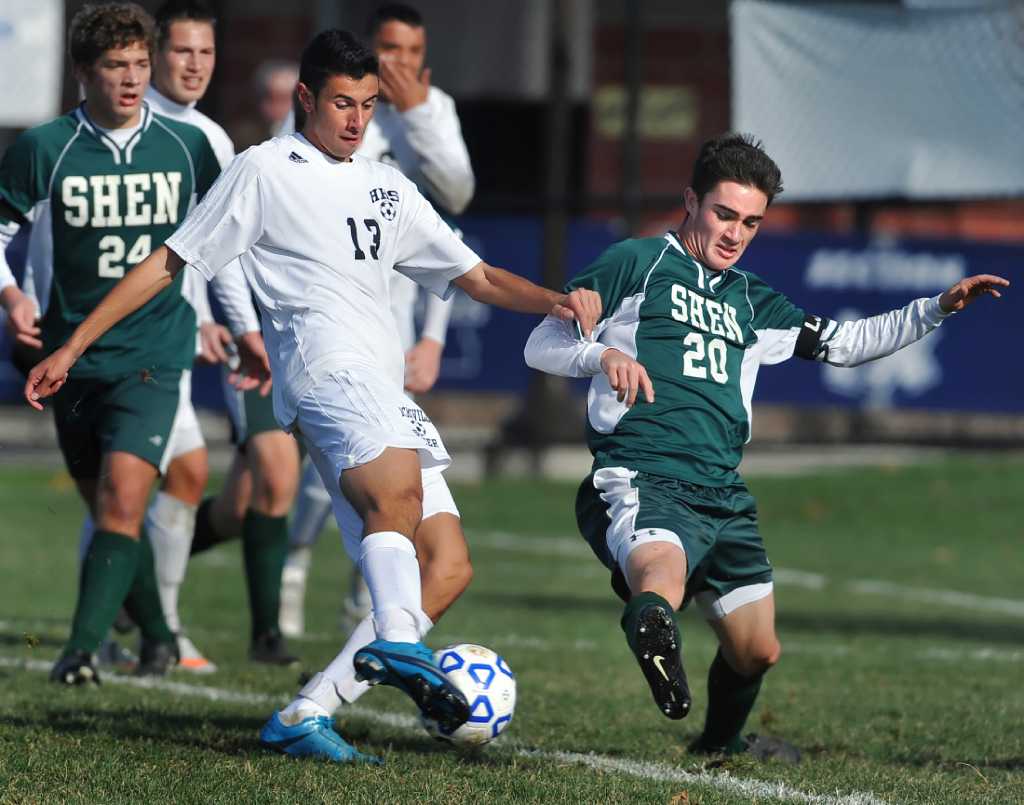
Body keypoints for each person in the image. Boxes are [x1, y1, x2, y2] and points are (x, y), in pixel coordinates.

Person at [25, 29, 597, 761]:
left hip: (380, 384)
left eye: (367, 104)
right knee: (394, 500)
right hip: (325, 372)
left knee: (447, 566)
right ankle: (396, 642)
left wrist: (553, 299)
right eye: (340, 103)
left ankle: (307, 710)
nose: (356, 120)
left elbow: (475, 275)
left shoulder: (388, 185)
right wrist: (71, 345)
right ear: (305, 98)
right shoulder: (264, 170)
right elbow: (169, 261)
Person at [523, 133, 1009, 761]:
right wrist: (602, 351)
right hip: (645, 472)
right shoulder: (635, 261)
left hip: (723, 492)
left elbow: (844, 343)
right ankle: (652, 625)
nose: (735, 233)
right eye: (724, 214)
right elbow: (541, 345)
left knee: (758, 650)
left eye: (751, 222)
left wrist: (935, 308)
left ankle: (718, 742)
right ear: (691, 201)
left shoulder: (755, 301)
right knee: (661, 574)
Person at [1, 2, 226, 685]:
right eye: (114, 65)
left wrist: (235, 324)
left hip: (154, 354)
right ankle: (157, 634)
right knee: (106, 507)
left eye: (139, 64)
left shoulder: (188, 147)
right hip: (67, 355)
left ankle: (79, 651)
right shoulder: (46, 147)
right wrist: (12, 297)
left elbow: (228, 241)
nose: (131, 79)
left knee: (128, 499)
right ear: (83, 72)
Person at [280, 1, 475, 638]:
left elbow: (456, 199)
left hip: (395, 322)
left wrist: (431, 338)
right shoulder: (335, 109)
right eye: (389, 50)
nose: (398, 65)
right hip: (330, 330)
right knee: (341, 480)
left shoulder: (430, 109)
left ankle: (368, 614)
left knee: (399, 489)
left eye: (413, 55)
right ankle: (296, 567)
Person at [145, 0, 301, 668]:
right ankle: (177, 625)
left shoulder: (215, 141)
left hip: (295, 341)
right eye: (183, 51)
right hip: (174, 335)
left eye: (206, 53)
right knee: (134, 481)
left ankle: (146, 608)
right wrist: (232, 324)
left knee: (238, 496)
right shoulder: (231, 149)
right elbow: (204, 250)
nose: (195, 65)